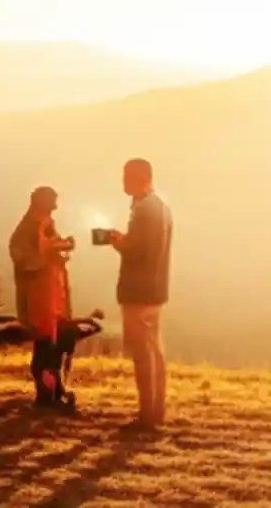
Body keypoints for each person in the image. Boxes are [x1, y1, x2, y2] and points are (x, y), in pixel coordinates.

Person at [104, 158, 173, 429]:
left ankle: (147, 415)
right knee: (155, 350)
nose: (122, 181)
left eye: (126, 176)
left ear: (140, 178)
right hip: (156, 290)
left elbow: (138, 250)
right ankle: (157, 409)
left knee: (143, 353)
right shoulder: (161, 207)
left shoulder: (144, 210)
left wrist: (118, 242)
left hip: (139, 291)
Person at [9, 186, 76, 407]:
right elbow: (25, 258)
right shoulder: (27, 229)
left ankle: (55, 390)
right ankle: (46, 394)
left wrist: (62, 248)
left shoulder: (45, 224)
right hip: (39, 296)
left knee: (56, 345)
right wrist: (48, 252)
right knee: (45, 345)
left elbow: (52, 250)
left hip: (54, 295)